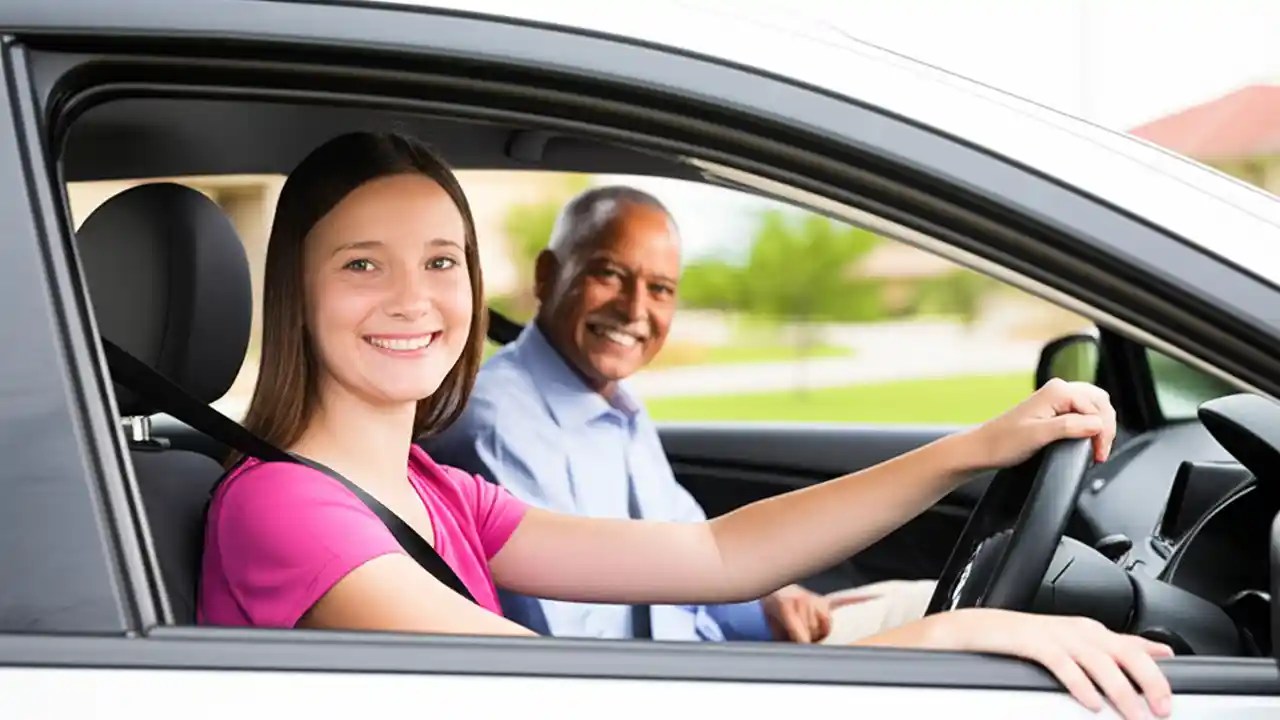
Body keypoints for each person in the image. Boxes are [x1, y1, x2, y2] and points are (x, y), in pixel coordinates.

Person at [197, 130, 1173, 720]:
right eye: (363, 264)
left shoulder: (430, 488)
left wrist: (972, 447)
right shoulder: (284, 513)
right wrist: (942, 642)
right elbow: (603, 703)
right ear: (295, 289)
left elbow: (711, 555)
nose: (414, 300)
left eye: (441, 262)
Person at [425, 185, 935, 645]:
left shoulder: (614, 402)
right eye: (609, 274)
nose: (634, 309)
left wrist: (764, 602)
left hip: (716, 650)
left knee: (941, 604)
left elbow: (692, 543)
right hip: (676, 686)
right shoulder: (498, 426)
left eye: (660, 289)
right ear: (547, 276)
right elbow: (577, 646)